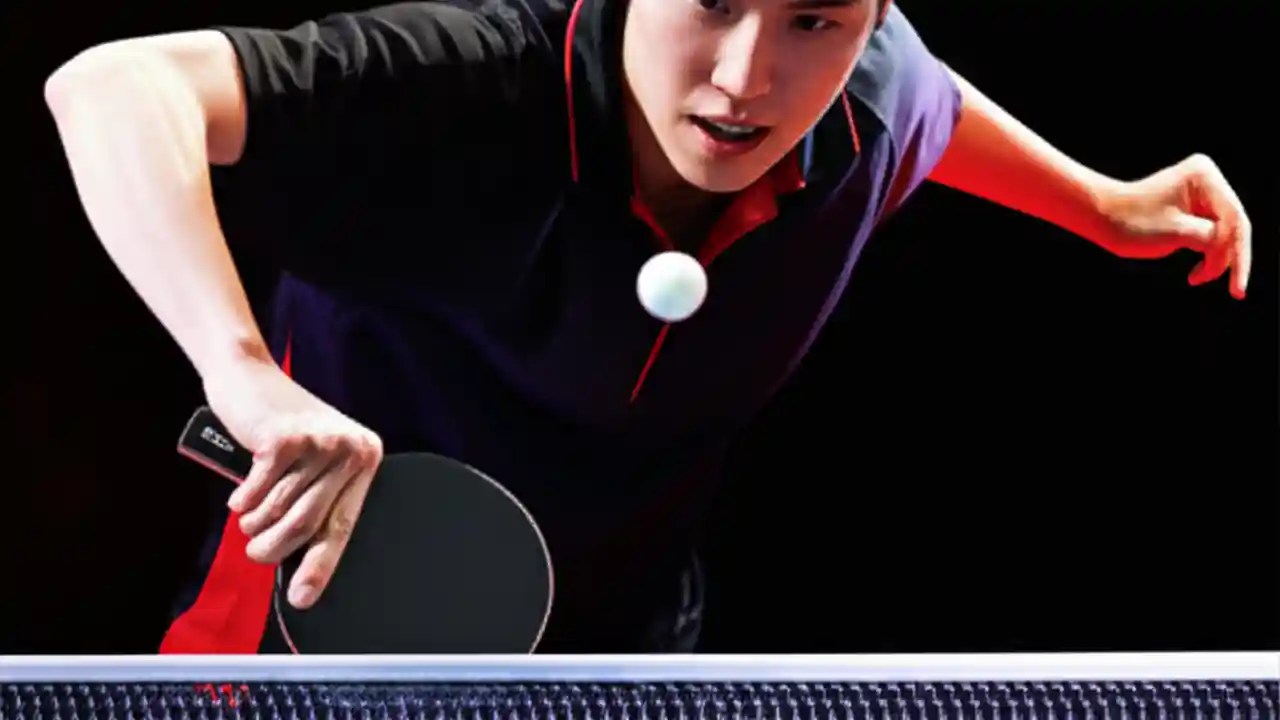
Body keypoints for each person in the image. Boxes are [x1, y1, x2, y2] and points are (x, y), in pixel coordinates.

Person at [44, 0, 1251, 653]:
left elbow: (926, 99)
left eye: (811, 24)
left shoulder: (868, 111)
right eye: (711, 0)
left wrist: (1101, 207)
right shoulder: (465, 85)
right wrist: (242, 372)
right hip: (316, 653)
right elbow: (111, 88)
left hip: (618, 662)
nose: (743, 79)